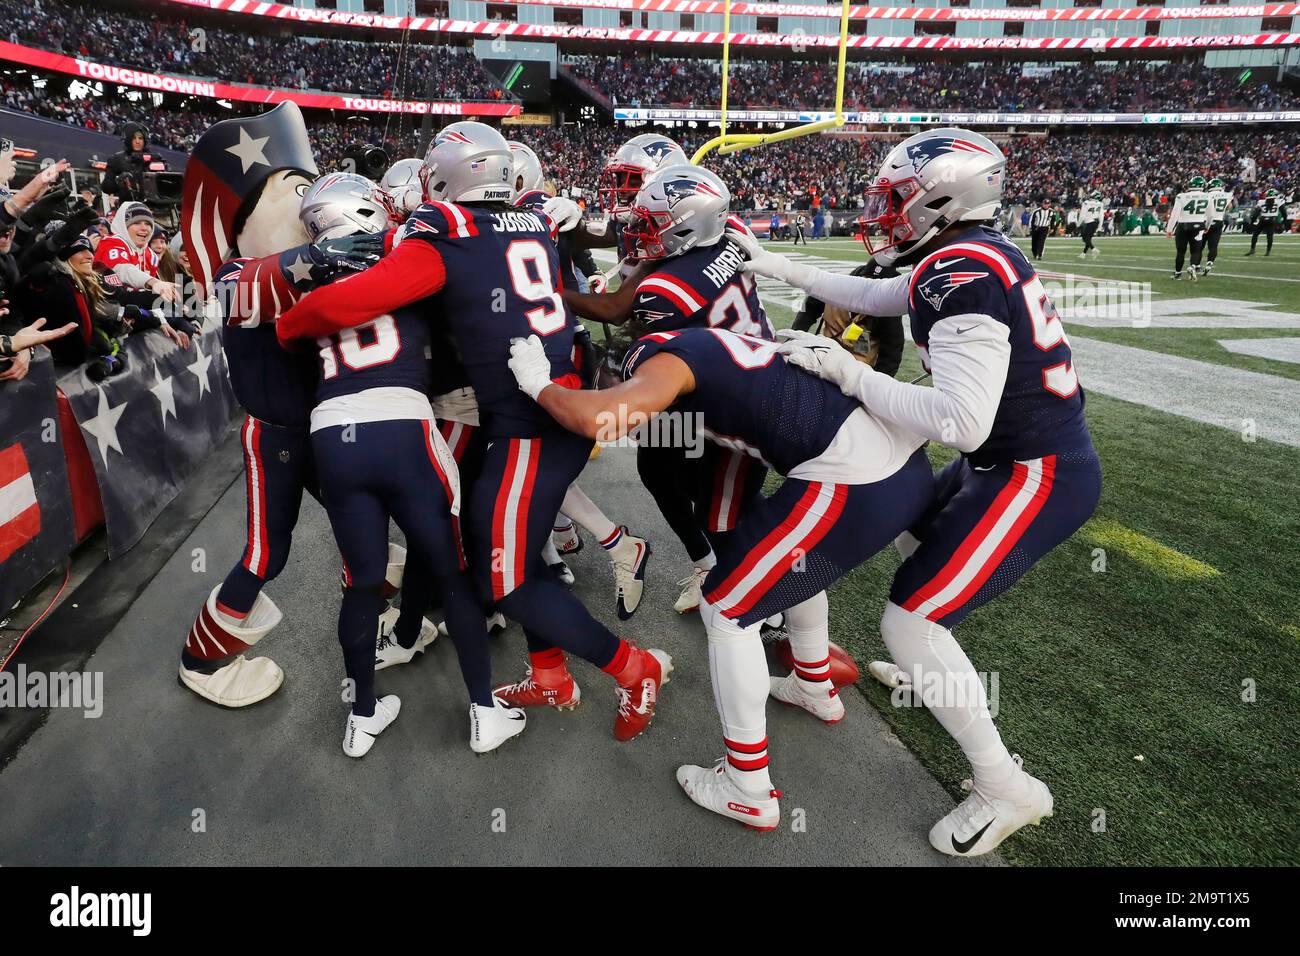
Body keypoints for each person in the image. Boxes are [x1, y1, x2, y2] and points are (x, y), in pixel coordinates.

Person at [729, 127, 1102, 857]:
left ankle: (1005, 787)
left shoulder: (957, 272)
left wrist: (848, 373)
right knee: (916, 546)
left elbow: (961, 423)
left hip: (1036, 470)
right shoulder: (971, 252)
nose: (883, 209)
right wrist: (777, 265)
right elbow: (878, 291)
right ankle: (937, 674)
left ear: (942, 198)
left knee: (912, 621)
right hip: (1012, 456)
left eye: (896, 197)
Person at [275, 122, 672, 741]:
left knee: (500, 578)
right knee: (506, 544)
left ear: (443, 177)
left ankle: (634, 668)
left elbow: (349, 304)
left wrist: (288, 322)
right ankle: (547, 671)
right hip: (549, 399)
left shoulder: (445, 235)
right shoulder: (532, 218)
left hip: (530, 425)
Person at [506, 323, 931, 829]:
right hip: (897, 464)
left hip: (856, 476)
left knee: (726, 608)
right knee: (791, 568)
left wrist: (537, 383)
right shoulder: (707, 352)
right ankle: (814, 685)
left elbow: (605, 419)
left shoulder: (661, 362)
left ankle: (747, 786)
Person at [562, 164, 774, 615]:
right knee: (662, 471)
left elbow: (619, 312)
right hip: (735, 373)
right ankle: (717, 567)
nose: (639, 229)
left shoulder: (668, 287)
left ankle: (762, 596)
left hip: (723, 402)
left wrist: (551, 293)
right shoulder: (729, 230)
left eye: (650, 221)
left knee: (716, 502)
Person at [1166, 175, 1210, 280]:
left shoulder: (1181, 196)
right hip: (1199, 225)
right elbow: (1211, 215)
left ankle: (1177, 274)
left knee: (1181, 251)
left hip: (1183, 225)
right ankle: (1193, 266)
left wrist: (1169, 229)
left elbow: (1174, 214)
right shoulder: (1208, 196)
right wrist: (1207, 226)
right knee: (1196, 250)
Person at [1203, 177, 1233, 273]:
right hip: (1219, 221)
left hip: (1206, 221)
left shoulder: (1207, 195)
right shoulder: (1226, 195)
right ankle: (1210, 262)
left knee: (1200, 245)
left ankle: (1196, 265)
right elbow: (1230, 207)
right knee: (1213, 246)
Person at [1245, 187, 1282, 257]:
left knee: (1256, 235)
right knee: (1269, 237)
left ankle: (1253, 249)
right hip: (1271, 220)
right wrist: (1282, 222)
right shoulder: (1278, 202)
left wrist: (1252, 222)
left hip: (1263, 220)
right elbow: (1283, 212)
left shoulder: (1261, 202)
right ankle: (1267, 251)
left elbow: (1256, 213)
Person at [1078, 191, 1102, 260]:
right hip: (1096, 222)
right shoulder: (1100, 204)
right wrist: (1100, 225)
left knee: (1084, 238)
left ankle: (1094, 249)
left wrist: (1078, 224)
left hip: (1089, 222)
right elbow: (1101, 216)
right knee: (1088, 239)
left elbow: (1082, 215)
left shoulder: (1086, 203)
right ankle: (1083, 253)